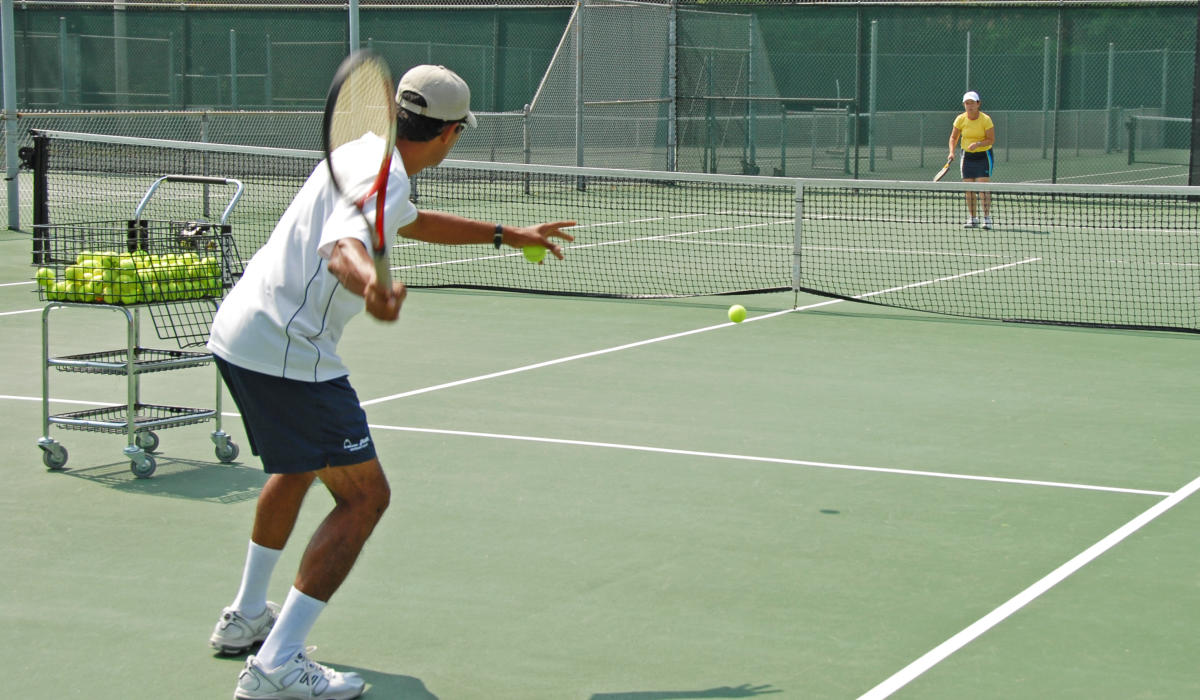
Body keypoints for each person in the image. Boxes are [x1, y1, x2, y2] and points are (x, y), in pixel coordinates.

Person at [205, 64, 576, 700]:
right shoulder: (383, 172)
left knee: (295, 469)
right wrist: (370, 282)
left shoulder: (363, 151)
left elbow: (405, 219)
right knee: (363, 498)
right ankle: (277, 664)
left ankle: (246, 617)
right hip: (292, 353)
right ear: (452, 133)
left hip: (240, 333)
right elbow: (343, 246)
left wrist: (504, 234)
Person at [946, 90, 995, 229]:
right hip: (967, 157)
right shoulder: (960, 119)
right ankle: (973, 218)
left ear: (978, 104)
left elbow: (991, 139)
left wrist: (978, 144)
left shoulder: (986, 119)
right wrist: (951, 152)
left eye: (972, 103)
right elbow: (953, 138)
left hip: (983, 156)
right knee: (969, 189)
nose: (969, 106)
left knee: (982, 188)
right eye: (967, 103)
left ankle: (987, 218)